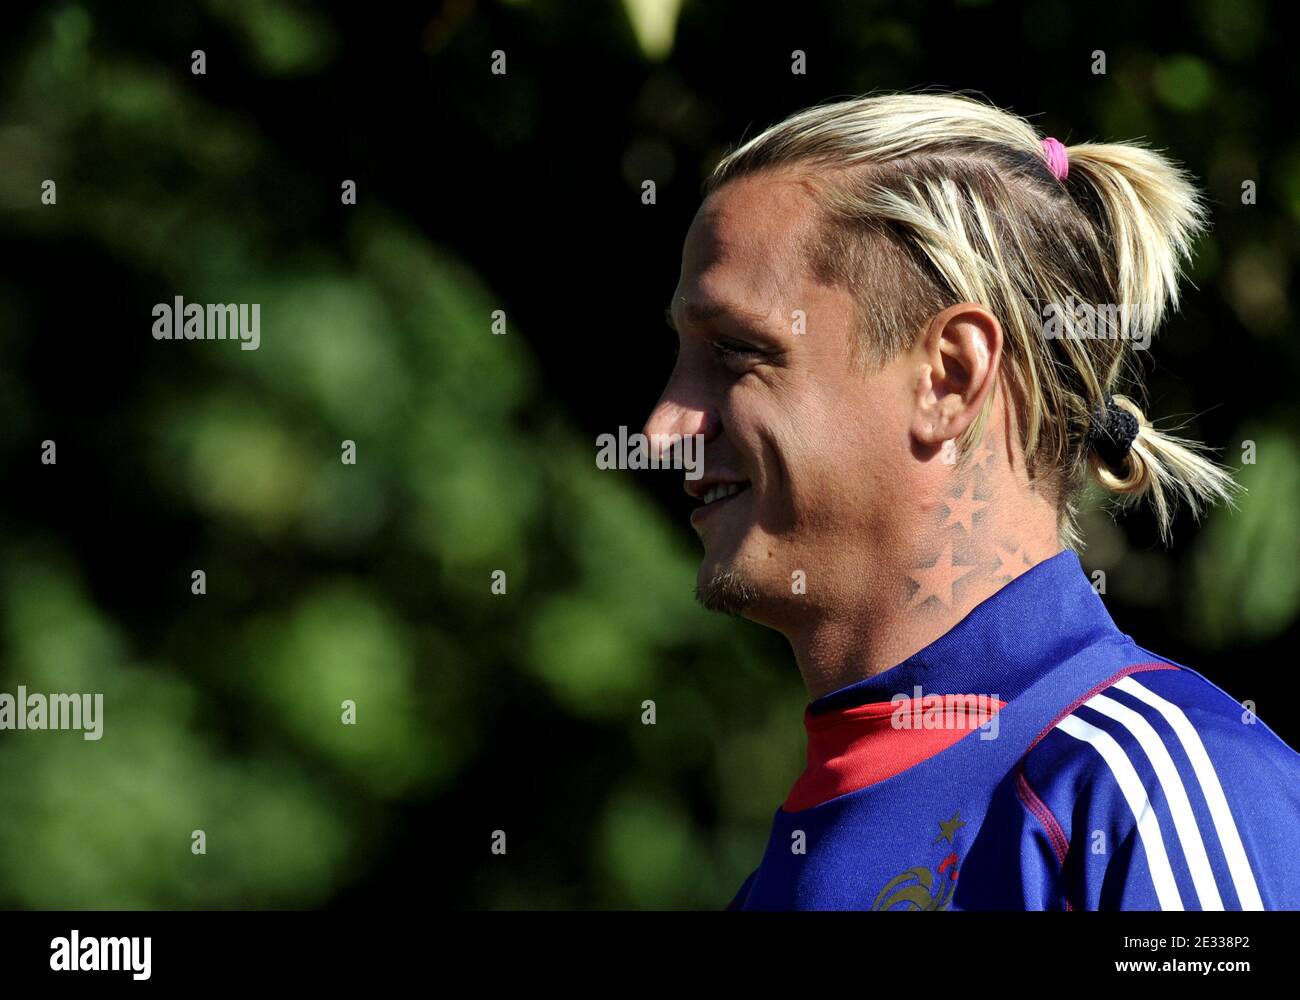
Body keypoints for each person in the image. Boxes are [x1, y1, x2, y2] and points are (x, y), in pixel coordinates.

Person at [644, 92, 1300, 910]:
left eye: (737, 353)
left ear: (949, 379)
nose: (663, 427)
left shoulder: (1148, 789)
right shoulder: (787, 861)